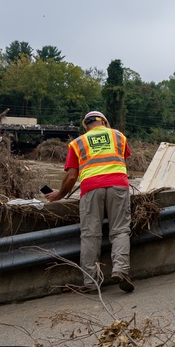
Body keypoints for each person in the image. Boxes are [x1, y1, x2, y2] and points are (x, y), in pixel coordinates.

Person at [45, 111, 134, 292]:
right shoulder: (119, 136)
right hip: (118, 185)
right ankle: (120, 269)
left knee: (90, 235)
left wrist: (59, 195)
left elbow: (71, 177)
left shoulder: (78, 143)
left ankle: (91, 282)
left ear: (85, 125)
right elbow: (121, 161)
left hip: (91, 189)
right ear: (104, 122)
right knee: (120, 231)